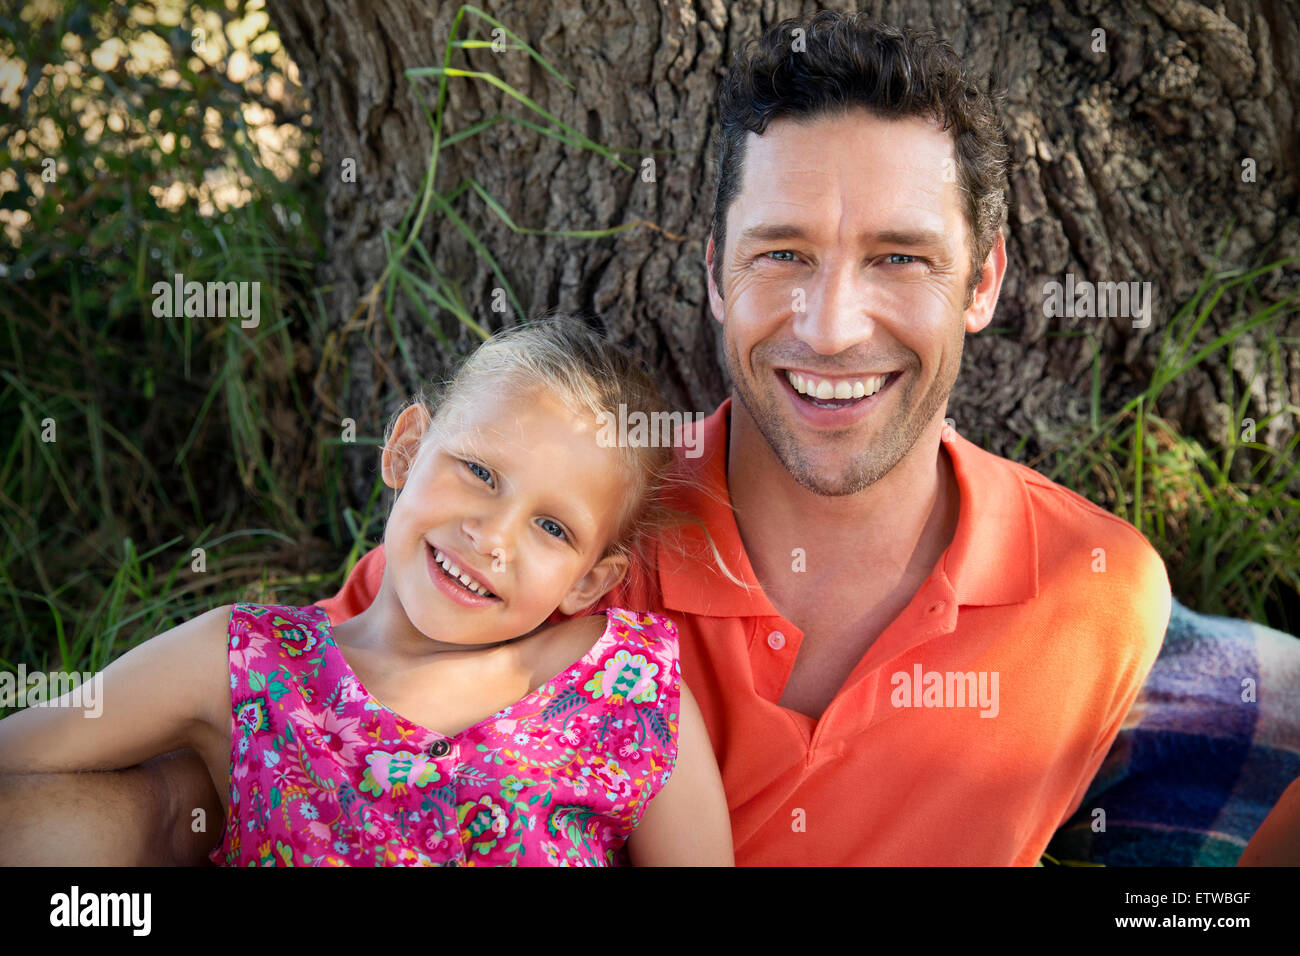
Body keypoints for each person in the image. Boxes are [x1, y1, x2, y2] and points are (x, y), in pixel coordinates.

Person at [0, 11, 1171, 866]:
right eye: (781, 253)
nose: (829, 325)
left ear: (985, 280)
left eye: (900, 258)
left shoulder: (1101, 598)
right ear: (712, 274)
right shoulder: (561, 526)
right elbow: (281, 759)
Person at [0, 320, 734, 867]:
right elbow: (21, 753)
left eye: (551, 526)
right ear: (406, 449)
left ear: (589, 581)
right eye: (478, 472)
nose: (492, 536)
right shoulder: (249, 662)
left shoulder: (629, 686)